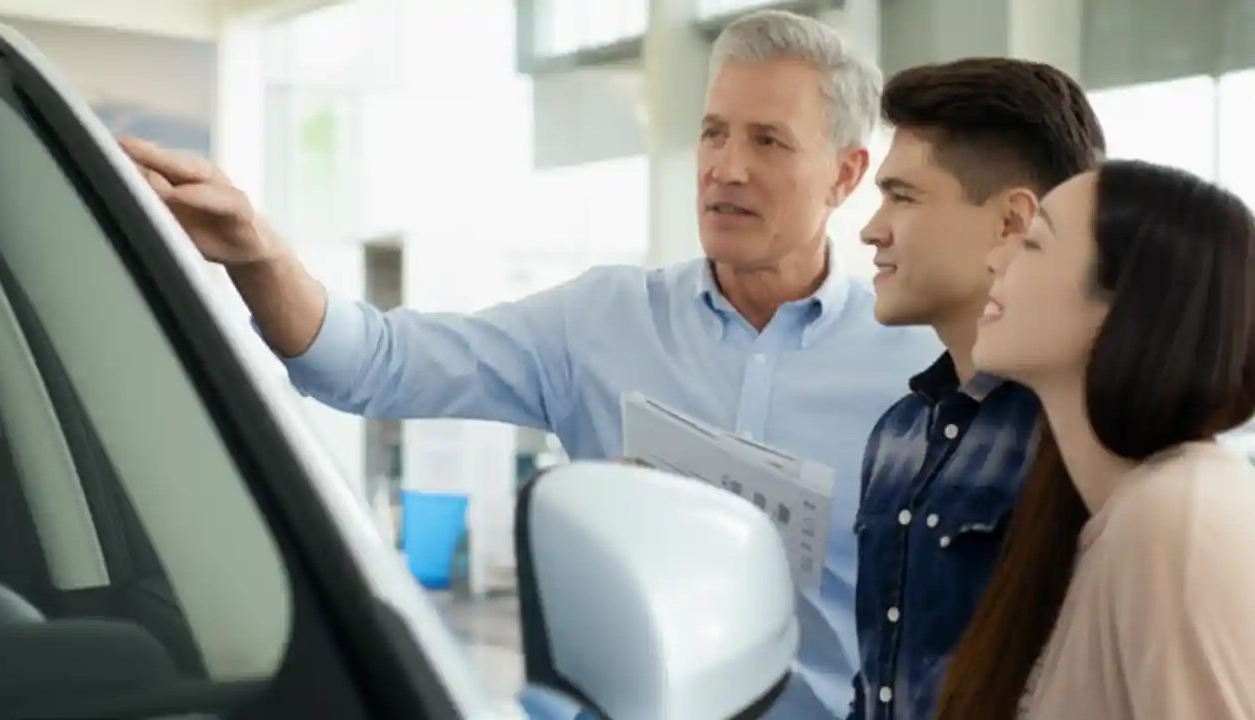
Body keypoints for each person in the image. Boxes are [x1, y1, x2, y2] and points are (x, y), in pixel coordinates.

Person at [121, 10, 940, 719]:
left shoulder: (923, 367)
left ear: (844, 174)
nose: (726, 167)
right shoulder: (601, 322)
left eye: (768, 141)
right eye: (713, 131)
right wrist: (255, 253)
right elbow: (371, 363)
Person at [938, 160, 1255, 719]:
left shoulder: (1175, 514)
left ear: (1131, 304)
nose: (996, 259)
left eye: (1034, 243)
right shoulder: (1098, 505)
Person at [849, 58, 1106, 720]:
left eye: (902, 196)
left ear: (1010, 221)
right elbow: (879, 681)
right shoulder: (898, 435)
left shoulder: (1086, 436)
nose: (871, 229)